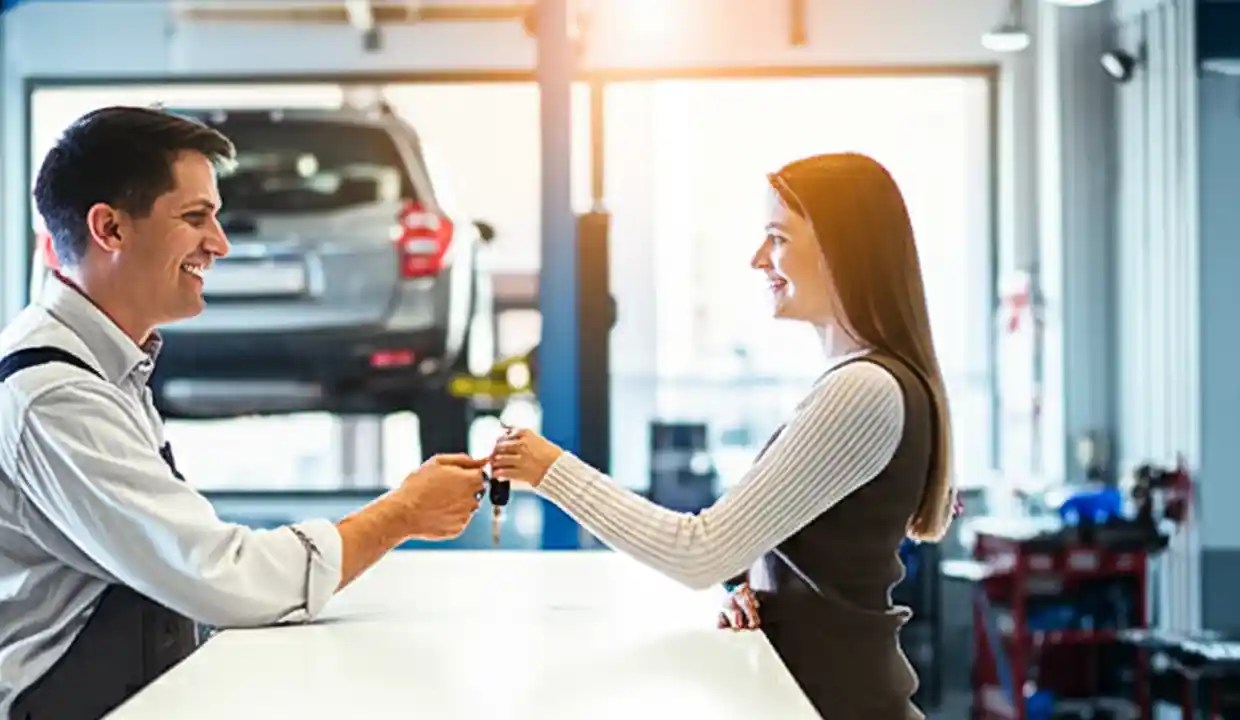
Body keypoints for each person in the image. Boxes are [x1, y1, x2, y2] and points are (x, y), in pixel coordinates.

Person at [0, 106, 487, 720]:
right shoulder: (55, 394)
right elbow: (222, 577)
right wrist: (402, 513)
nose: (222, 243)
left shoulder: (106, 366)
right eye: (194, 217)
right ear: (111, 229)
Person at [491, 152, 955, 719]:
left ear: (841, 248)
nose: (759, 259)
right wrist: (757, 591)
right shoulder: (863, 382)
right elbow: (802, 564)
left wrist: (548, 469)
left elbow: (699, 552)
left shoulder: (865, 389)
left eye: (777, 238)